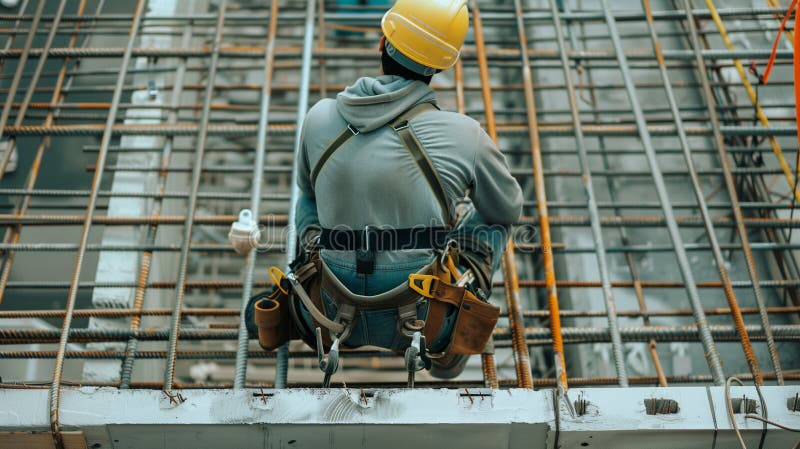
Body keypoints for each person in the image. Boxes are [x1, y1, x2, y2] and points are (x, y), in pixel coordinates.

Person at [247, 0, 522, 379]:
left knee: (308, 197)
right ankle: (449, 344)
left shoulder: (320, 117)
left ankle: (302, 281)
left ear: (382, 43)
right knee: (494, 221)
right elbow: (507, 210)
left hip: (327, 310)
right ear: (443, 66)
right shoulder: (466, 135)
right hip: (424, 319)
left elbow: (308, 191)